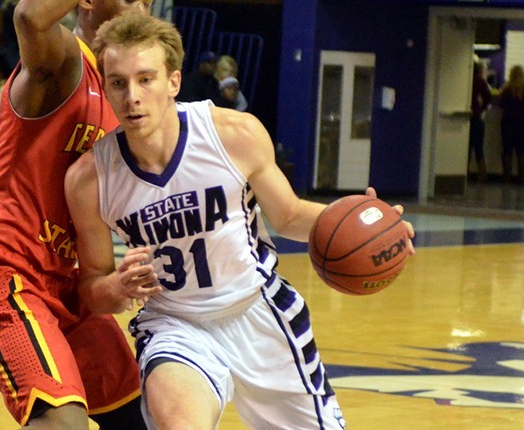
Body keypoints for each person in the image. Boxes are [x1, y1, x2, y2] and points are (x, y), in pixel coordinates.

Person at [66, 13, 415, 429]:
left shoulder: (232, 134)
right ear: (104, 86)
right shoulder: (90, 178)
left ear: (173, 82)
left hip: (258, 310)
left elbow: (288, 216)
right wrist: (116, 288)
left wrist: (374, 227)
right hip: (176, 325)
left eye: (146, 79)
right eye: (118, 83)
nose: (132, 96)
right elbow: (92, 288)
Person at [0, 1, 152, 429]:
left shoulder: (127, 97)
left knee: (145, 416)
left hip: (62, 281)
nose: (142, 6)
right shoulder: (64, 61)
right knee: (62, 422)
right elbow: (29, 18)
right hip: (0, 266)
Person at [469, 61, 492, 183]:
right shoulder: (481, 82)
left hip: (470, 116)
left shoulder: (468, 80)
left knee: (468, 148)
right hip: (477, 118)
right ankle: (482, 174)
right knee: (478, 147)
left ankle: (464, 172)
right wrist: (480, 110)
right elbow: (488, 99)